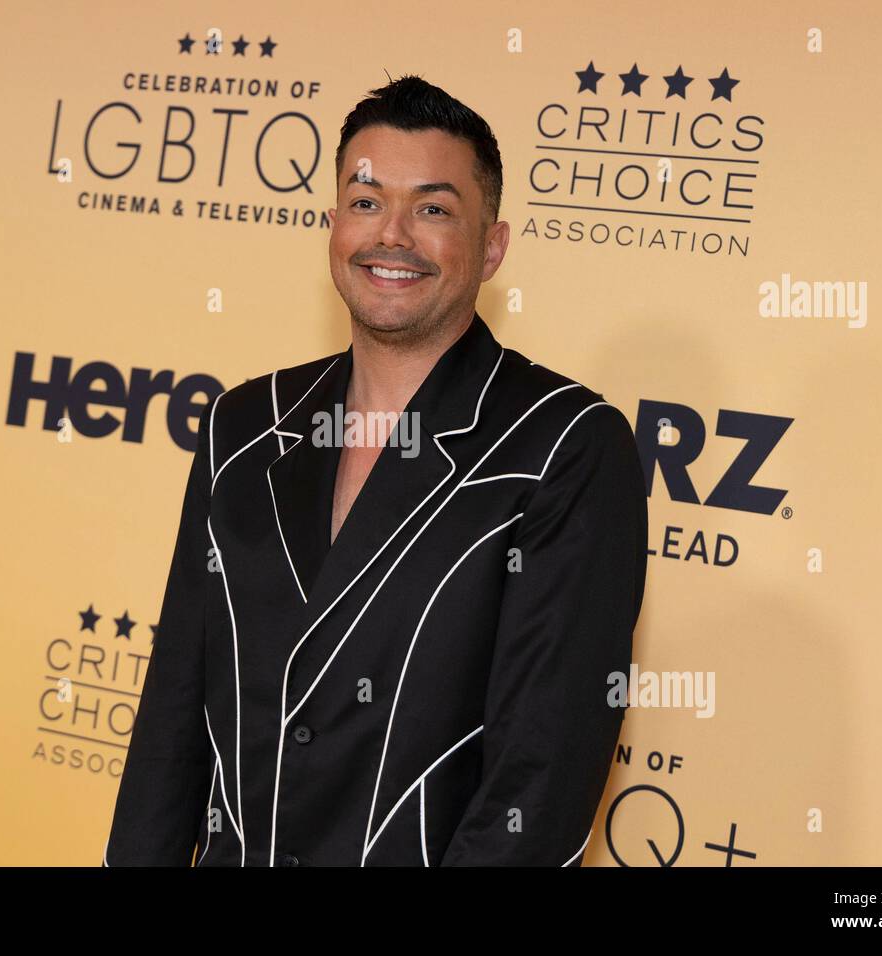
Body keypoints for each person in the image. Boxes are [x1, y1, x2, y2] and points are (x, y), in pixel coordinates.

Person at [103, 74, 647, 866]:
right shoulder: (244, 428)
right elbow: (172, 723)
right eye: (365, 202)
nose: (391, 235)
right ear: (332, 225)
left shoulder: (565, 445)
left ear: (491, 247)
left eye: (432, 209)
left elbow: (543, 775)